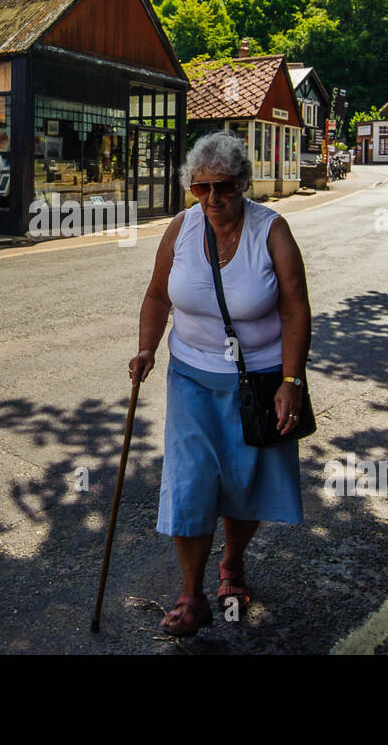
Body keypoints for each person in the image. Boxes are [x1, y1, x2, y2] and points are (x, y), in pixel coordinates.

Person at [129, 130, 313, 637]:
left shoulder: (271, 231)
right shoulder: (181, 229)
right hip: (191, 374)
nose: (213, 198)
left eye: (224, 187)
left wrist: (292, 380)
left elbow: (295, 306)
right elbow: (156, 297)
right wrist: (147, 347)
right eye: (201, 187)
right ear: (191, 188)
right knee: (190, 482)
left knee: (244, 480)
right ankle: (191, 594)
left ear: (243, 185)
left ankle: (232, 562)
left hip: (260, 378)